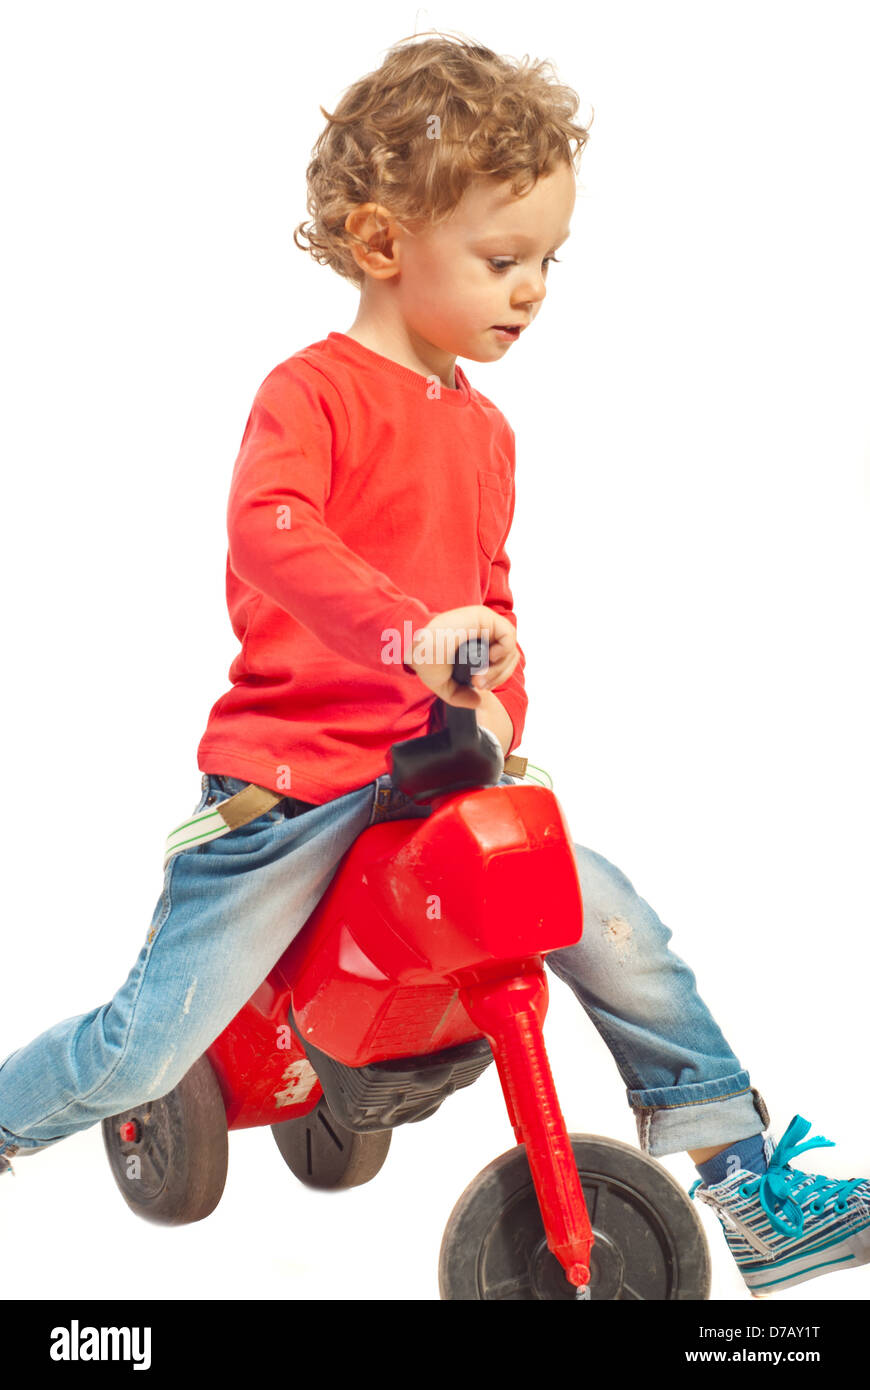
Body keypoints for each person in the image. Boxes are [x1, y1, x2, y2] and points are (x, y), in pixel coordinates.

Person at [1, 30, 867, 1301]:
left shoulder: (488, 432)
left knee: (617, 927)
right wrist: (412, 633)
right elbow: (273, 535)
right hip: (288, 790)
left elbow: (493, 601)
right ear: (380, 243)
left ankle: (746, 1185)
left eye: (549, 263)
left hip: (434, 772)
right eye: (503, 259)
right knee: (143, 1049)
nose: (532, 290)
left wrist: (498, 697)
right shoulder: (315, 394)